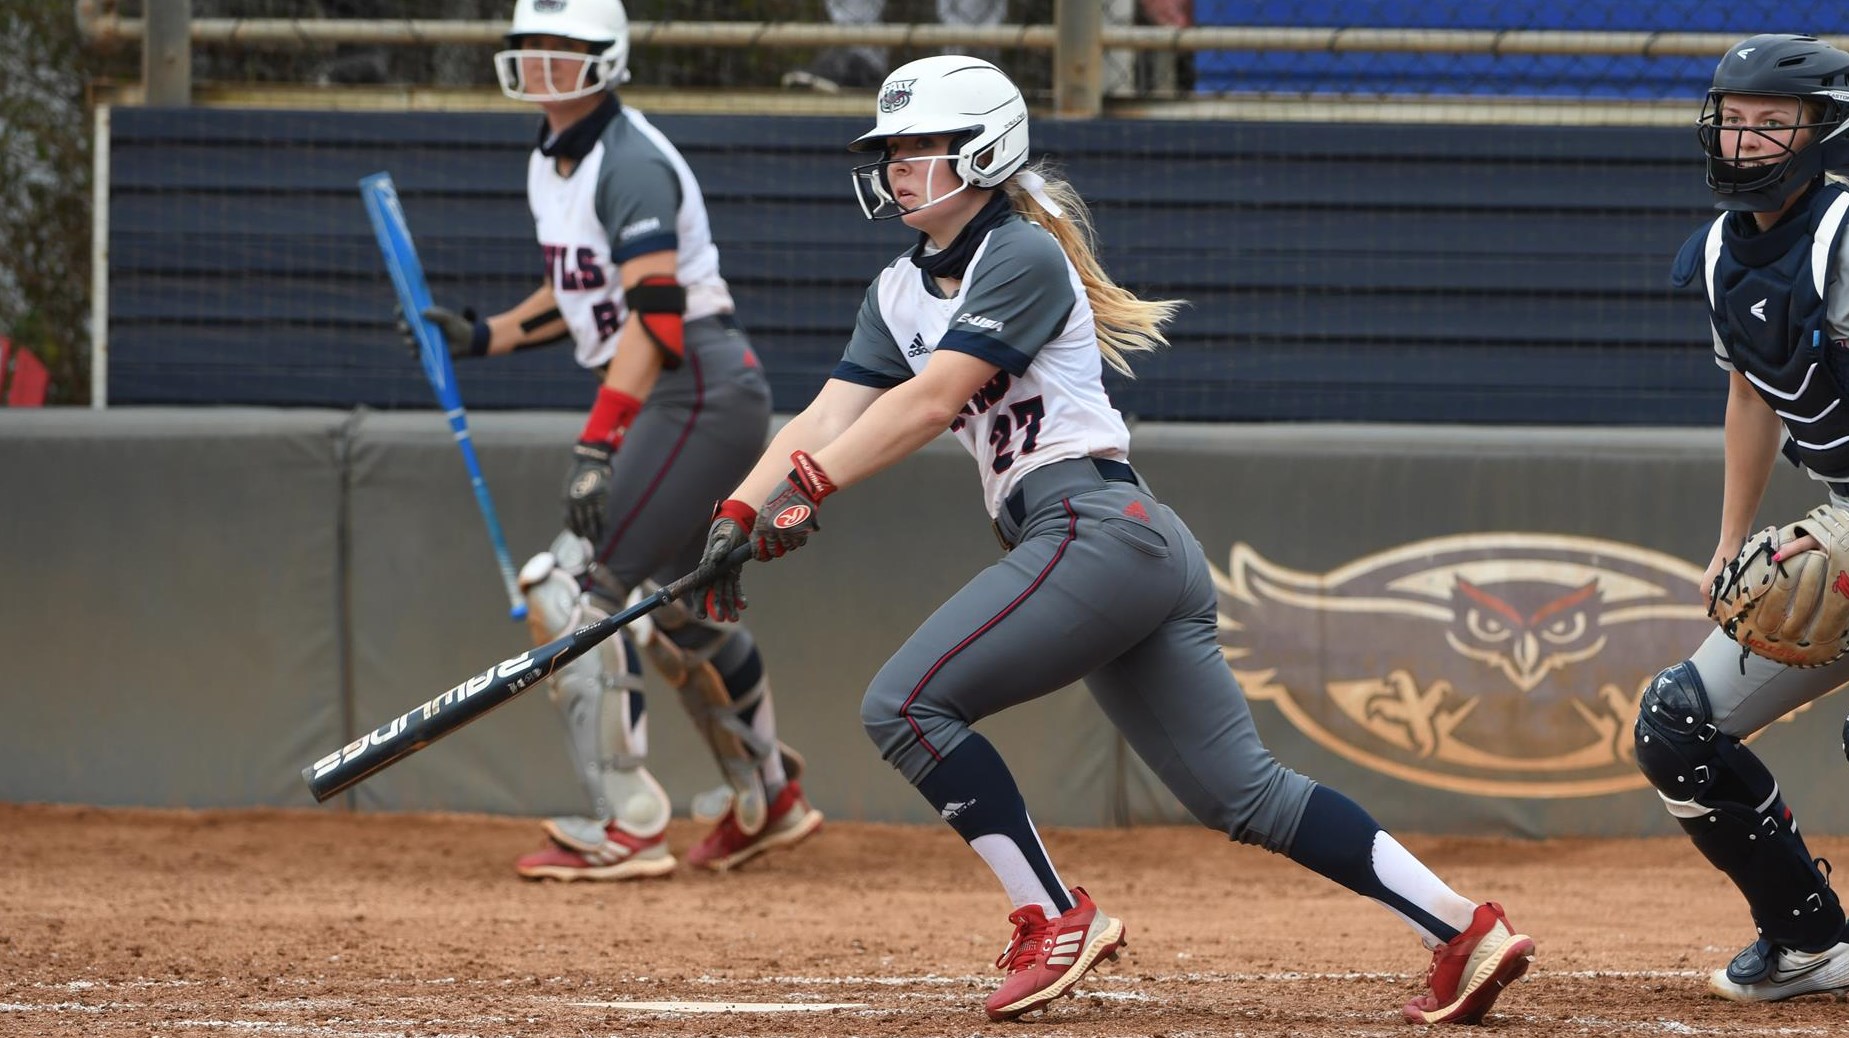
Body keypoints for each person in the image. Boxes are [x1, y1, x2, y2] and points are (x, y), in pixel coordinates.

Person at [689, 54, 1535, 1023]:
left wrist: (810, 488)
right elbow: (822, 415)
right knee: (1244, 797)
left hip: (1093, 530)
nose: (897, 167)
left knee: (905, 706)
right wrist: (735, 510)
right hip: (1114, 545)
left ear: (983, 151)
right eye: (891, 151)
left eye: (921, 147)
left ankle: (1051, 913)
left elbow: (930, 402)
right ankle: (1461, 928)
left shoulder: (1018, 253)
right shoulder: (896, 291)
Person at [407, 0, 822, 880]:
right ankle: (770, 797)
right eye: (533, 46)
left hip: (692, 385)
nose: (544, 63)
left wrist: (597, 448)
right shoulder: (551, 159)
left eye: (564, 47)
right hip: (675, 388)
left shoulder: (629, 160)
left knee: (576, 592)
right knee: (672, 609)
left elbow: (657, 322)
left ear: (605, 58)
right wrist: (486, 334)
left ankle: (630, 822)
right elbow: (581, 293)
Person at [1645, 32, 1849, 1002]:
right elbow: (1752, 397)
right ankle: (1807, 941)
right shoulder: (1725, 253)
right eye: (1734, 122)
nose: (1746, 141)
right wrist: (1731, 540)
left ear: (1819, 130)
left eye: (1773, 124)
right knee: (1674, 726)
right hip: (1839, 517)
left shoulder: (1844, 237)